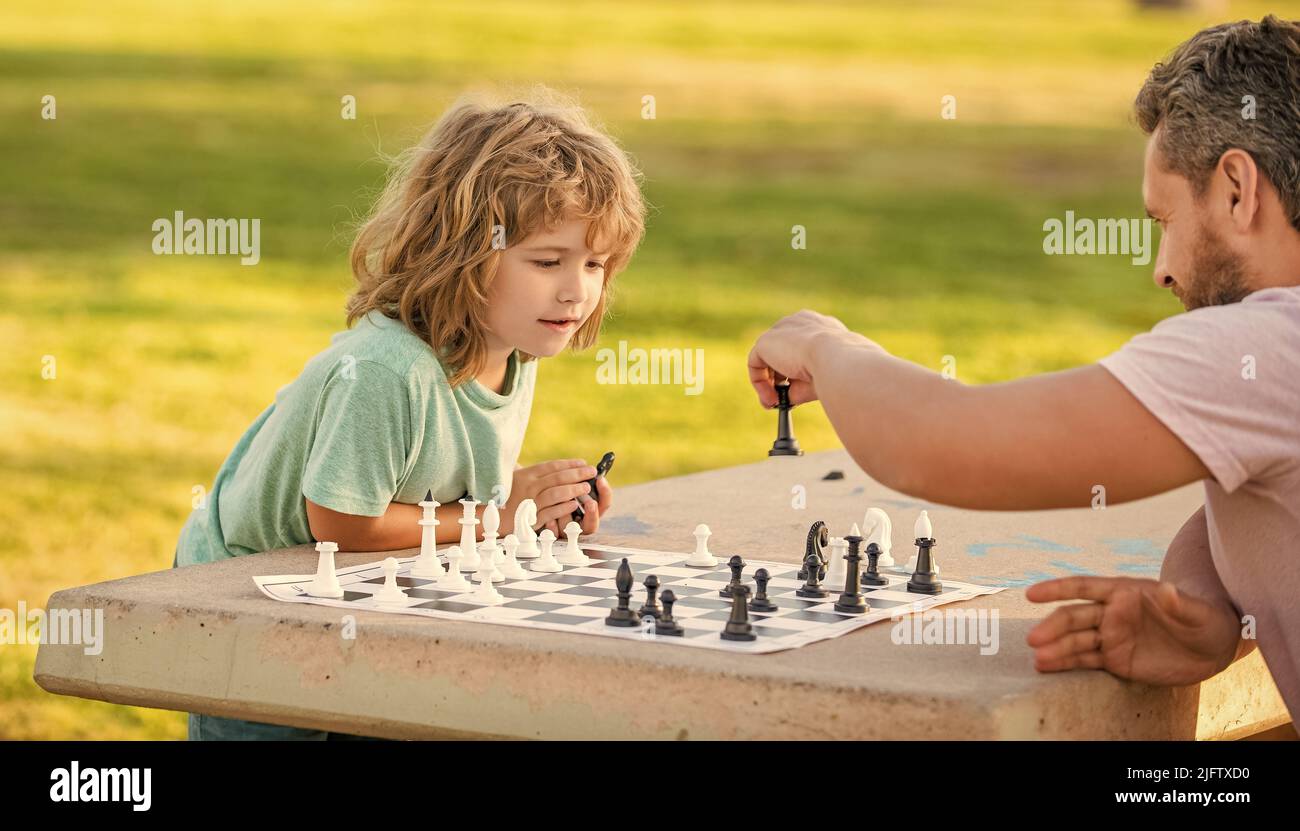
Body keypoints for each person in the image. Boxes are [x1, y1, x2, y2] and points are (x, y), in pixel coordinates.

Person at [746, 17, 1300, 730]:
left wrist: (827, 346)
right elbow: (1246, 497)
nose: (1160, 268)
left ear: (1235, 189)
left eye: (1165, 219)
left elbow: (941, 443)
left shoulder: (1267, 345)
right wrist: (1203, 604)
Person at [175, 90, 646, 739]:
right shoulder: (388, 370)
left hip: (345, 593)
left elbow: (428, 494)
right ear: (463, 252)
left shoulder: (513, 348)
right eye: (547, 261)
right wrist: (497, 515)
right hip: (243, 601)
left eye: (595, 263)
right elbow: (341, 521)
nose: (578, 289)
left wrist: (531, 504)